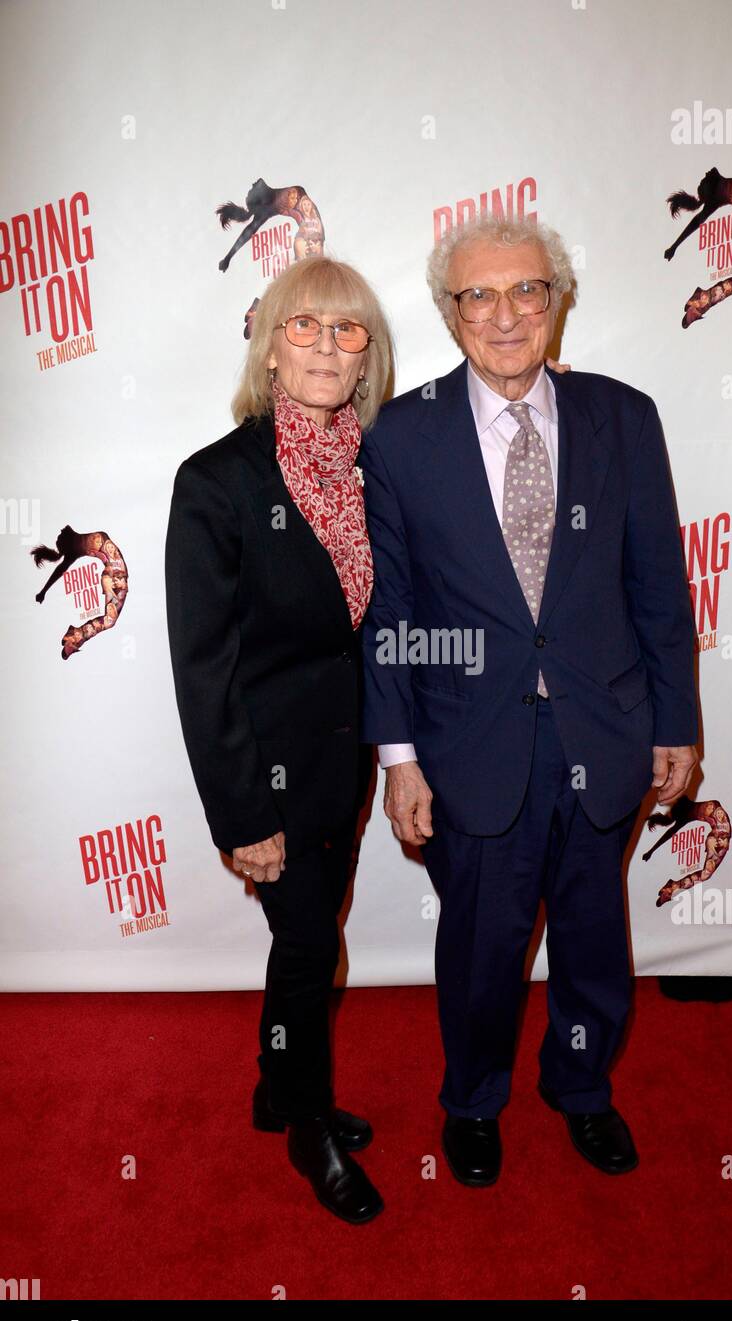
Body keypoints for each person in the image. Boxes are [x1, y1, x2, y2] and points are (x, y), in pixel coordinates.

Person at [360, 215, 699, 1187]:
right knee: (481, 947)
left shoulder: (622, 417)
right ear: (449, 312)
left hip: (607, 729)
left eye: (526, 291)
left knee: (595, 940)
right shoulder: (403, 432)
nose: (505, 315)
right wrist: (400, 759)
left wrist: (675, 719)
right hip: (469, 744)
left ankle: (582, 1089)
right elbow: (394, 610)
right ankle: (473, 1099)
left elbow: (659, 585)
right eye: (479, 295)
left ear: (556, 301)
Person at [165, 256, 393, 1223]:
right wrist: (242, 814)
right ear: (269, 348)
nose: (328, 347)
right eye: (305, 327)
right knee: (307, 951)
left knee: (311, 940)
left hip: (342, 763)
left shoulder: (369, 468)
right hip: (267, 776)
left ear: (366, 356)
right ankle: (307, 1126)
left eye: (347, 331)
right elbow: (201, 667)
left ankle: (274, 1086)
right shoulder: (216, 482)